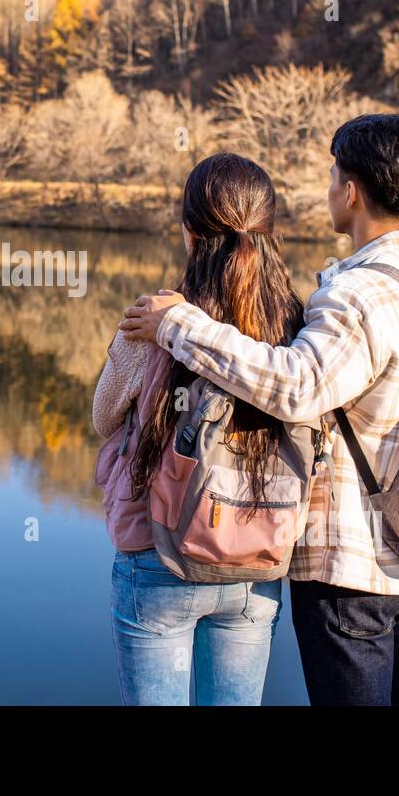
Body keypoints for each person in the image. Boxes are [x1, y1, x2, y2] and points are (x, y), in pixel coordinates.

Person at [120, 114, 399, 706]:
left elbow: (297, 385)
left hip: (356, 566)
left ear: (350, 190)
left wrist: (180, 324)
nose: (328, 189)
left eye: (332, 176)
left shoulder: (357, 295)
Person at [93, 151, 307, 705]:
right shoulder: (300, 329)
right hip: (255, 563)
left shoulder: (157, 318)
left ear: (189, 232)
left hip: (157, 553)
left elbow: (104, 415)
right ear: (268, 230)